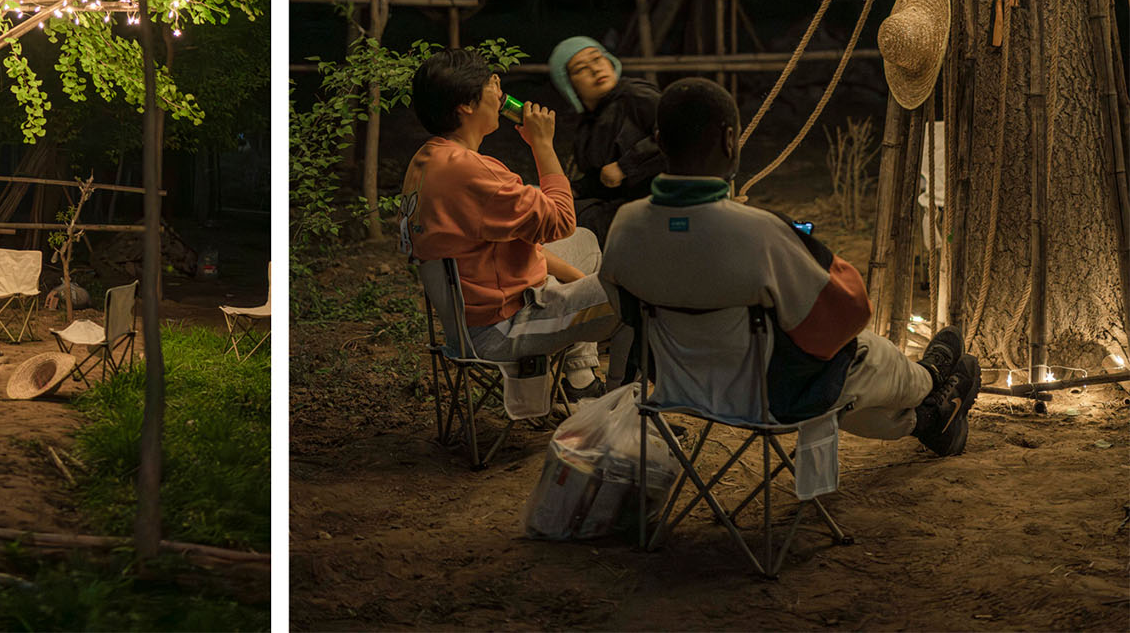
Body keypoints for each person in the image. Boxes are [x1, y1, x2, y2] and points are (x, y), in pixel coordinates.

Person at [599, 77, 981, 454]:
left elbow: (624, 310)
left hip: (677, 389)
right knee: (864, 355)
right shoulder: (759, 233)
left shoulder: (626, 225)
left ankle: (932, 420)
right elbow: (851, 313)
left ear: (659, 142)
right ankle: (932, 380)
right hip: (772, 399)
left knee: (841, 378)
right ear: (731, 141)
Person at [398, 48, 624, 395]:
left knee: (584, 241)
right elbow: (561, 219)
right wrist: (542, 145)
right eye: (492, 82)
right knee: (636, 293)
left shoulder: (429, 159)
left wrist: (580, 284)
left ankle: (579, 381)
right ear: (467, 106)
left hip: (470, 318)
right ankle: (625, 407)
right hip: (505, 328)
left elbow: (533, 240)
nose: (500, 88)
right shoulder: (475, 173)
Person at [548, 36, 663, 245]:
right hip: (628, 204)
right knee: (555, 213)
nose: (595, 69)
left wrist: (625, 166)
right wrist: (576, 189)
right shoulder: (589, 123)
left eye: (598, 59)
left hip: (664, 203)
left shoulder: (636, 96)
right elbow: (601, 177)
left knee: (577, 224)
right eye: (581, 68)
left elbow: (679, 134)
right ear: (568, 84)